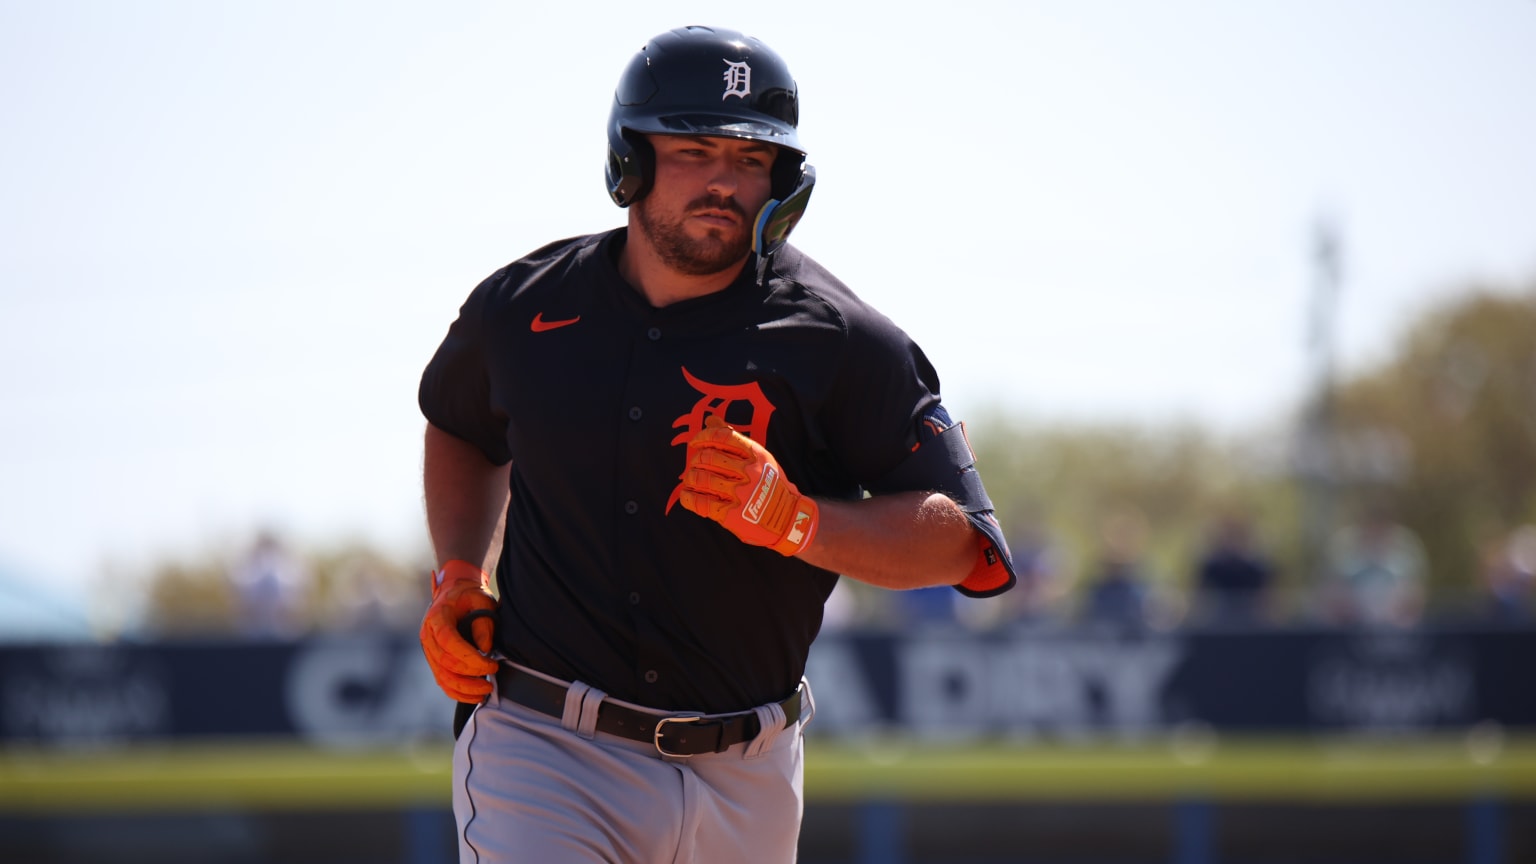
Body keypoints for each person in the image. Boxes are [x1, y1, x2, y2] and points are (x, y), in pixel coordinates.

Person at [415, 25, 1017, 863]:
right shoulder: (521, 311)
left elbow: (967, 543)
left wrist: (802, 520)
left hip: (750, 773)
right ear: (630, 160)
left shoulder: (841, 339)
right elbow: (458, 424)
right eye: (695, 150)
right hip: (547, 744)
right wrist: (456, 572)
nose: (724, 183)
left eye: (750, 159)